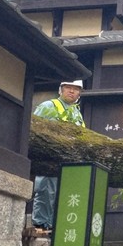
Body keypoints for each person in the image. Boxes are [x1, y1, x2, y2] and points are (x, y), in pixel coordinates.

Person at [31, 80, 86, 231]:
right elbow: (33, 128)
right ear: (60, 90)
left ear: (79, 94)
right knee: (45, 190)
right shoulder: (48, 106)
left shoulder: (77, 113)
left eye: (76, 89)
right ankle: (41, 223)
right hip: (49, 157)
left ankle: (56, 225)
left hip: (68, 161)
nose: (72, 91)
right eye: (68, 88)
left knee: (63, 193)